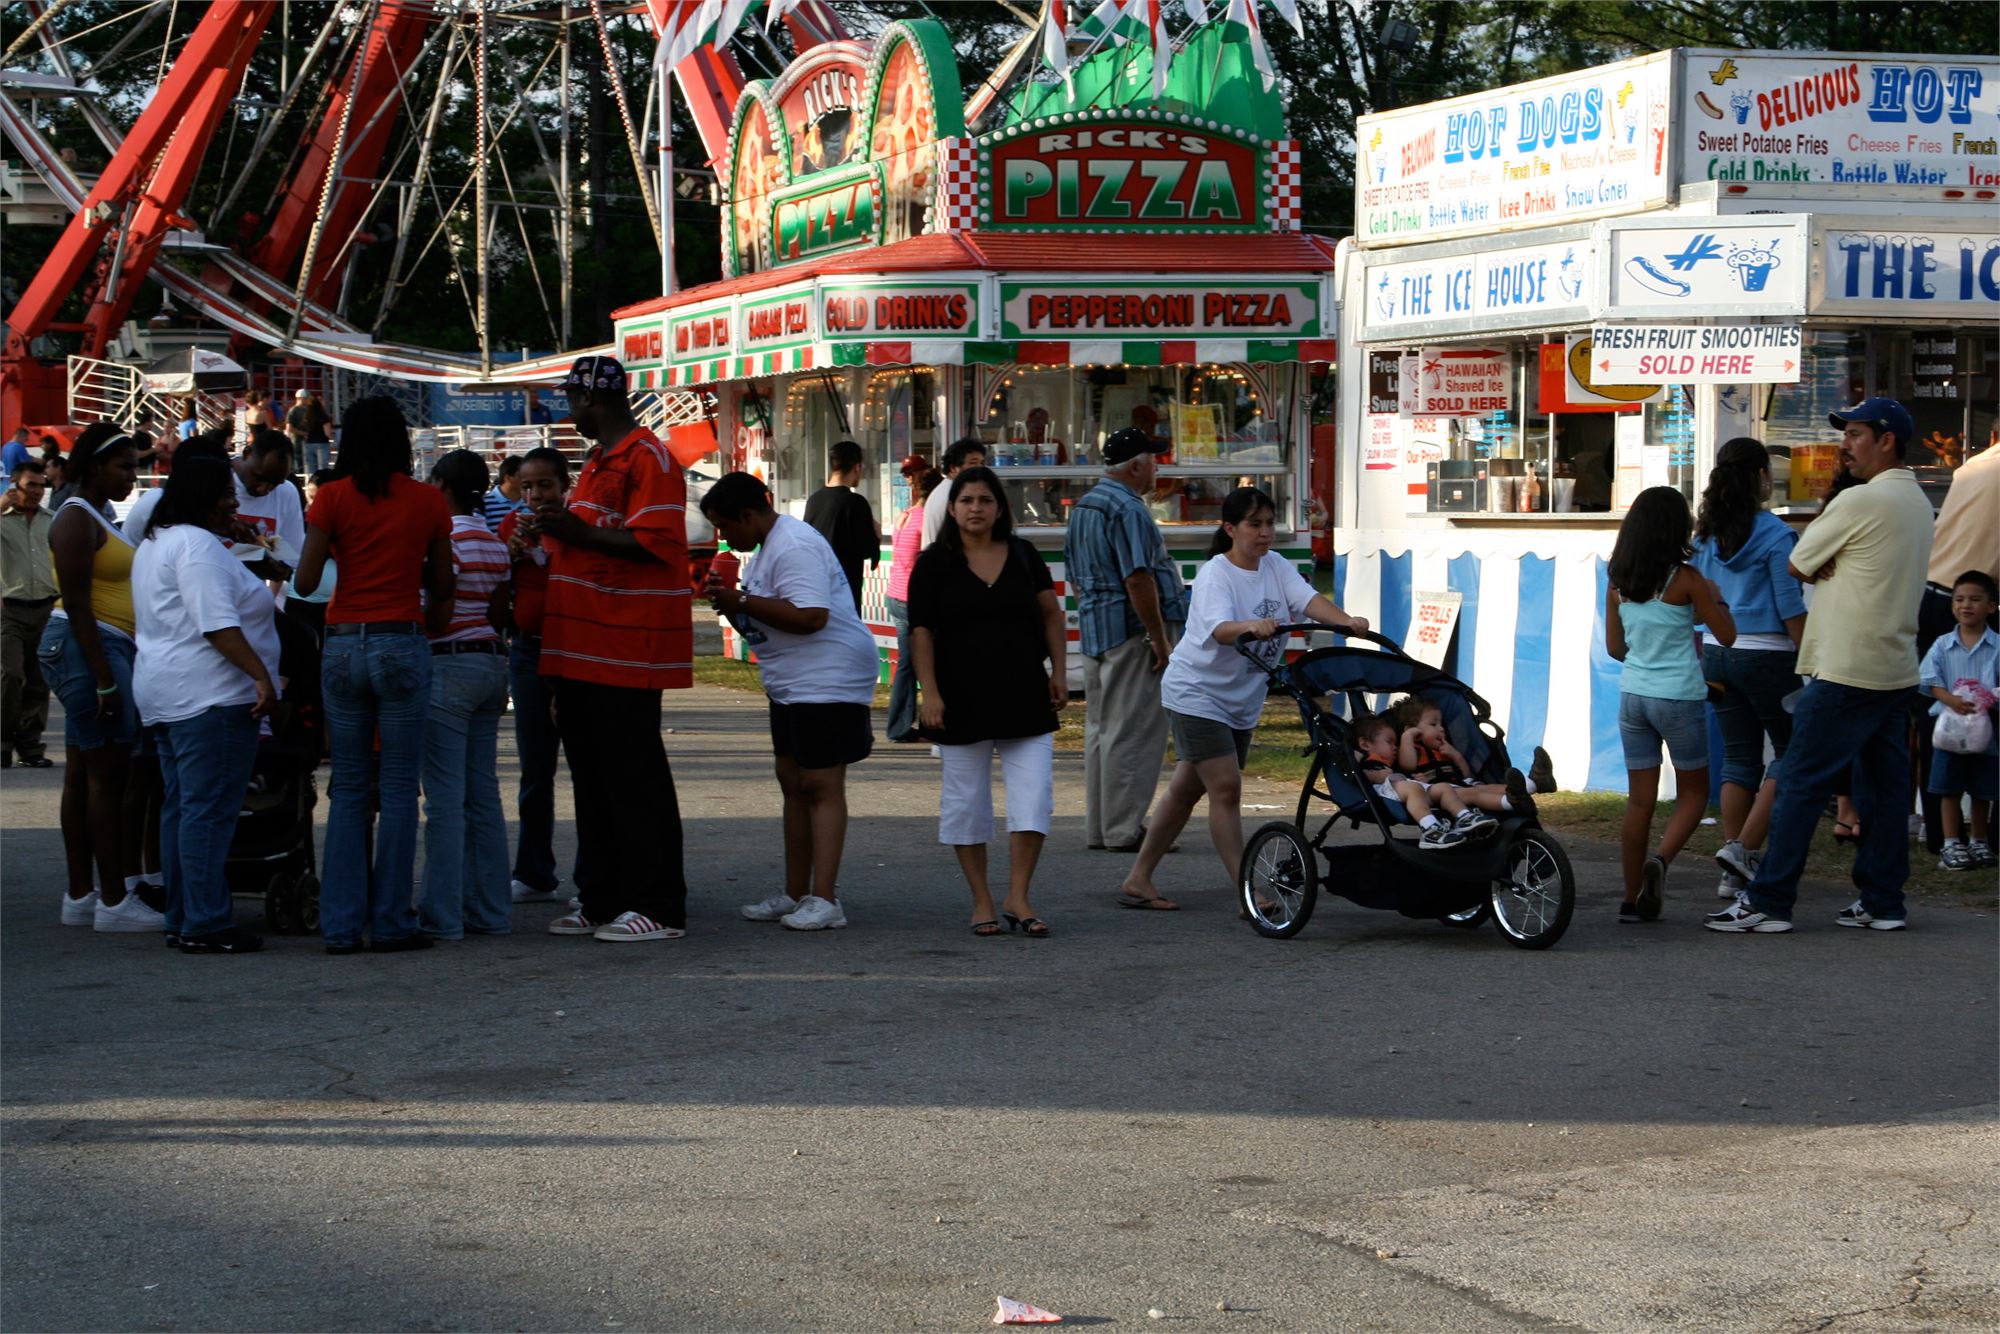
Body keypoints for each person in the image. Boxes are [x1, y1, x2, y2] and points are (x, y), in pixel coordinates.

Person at [1709, 399, 1934, 934]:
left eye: (1855, 434)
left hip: (1845, 665)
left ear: (1887, 440)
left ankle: (1769, 900)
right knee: (1884, 789)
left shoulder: (1859, 501)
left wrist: (1829, 562)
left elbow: (1797, 563)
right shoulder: (1918, 501)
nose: (1845, 445)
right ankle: (1883, 901)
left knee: (1799, 782)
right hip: (1894, 662)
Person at [1116, 487, 1364, 910]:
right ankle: (1247, 889)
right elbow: (1219, 629)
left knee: (1185, 790)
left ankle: (1138, 878)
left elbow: (1307, 599)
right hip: (1197, 692)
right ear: (1231, 529)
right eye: (1255, 524)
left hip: (1241, 699)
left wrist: (1346, 621)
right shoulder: (1217, 573)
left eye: (1269, 523)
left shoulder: (1275, 566)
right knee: (1226, 789)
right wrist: (1249, 625)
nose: (1265, 533)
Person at [536, 355, 693, 944]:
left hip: (625, 646)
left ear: (588, 401)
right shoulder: (599, 460)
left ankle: (659, 904)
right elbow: (588, 537)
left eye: (570, 401)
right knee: (593, 779)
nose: (569, 411)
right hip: (582, 645)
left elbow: (655, 541)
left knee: (634, 776)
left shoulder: (647, 457)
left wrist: (574, 531)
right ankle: (602, 897)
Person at [295, 396, 454, 954]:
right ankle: (391, 921)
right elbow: (442, 585)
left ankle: (340, 925)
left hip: (342, 644)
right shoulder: (429, 501)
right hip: (401, 638)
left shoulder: (331, 498)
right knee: (398, 787)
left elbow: (307, 577)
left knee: (349, 790)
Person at [702, 472, 879, 932]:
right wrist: (733, 606)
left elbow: (811, 617)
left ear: (747, 515)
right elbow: (765, 625)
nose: (724, 537)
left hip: (827, 678)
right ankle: (797, 891)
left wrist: (740, 599)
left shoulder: (793, 545)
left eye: (725, 526)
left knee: (820, 784)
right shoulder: (767, 549)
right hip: (793, 681)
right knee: (792, 782)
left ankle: (825, 899)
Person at [908, 466, 1067, 937]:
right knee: (965, 804)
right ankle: (981, 900)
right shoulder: (934, 562)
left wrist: (1059, 672)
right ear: (952, 509)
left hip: (1025, 695)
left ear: (1000, 508)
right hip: (958, 700)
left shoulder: (1023, 554)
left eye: (985, 500)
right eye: (967, 500)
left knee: (1034, 797)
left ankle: (1019, 895)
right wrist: (929, 693)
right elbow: (921, 632)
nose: (976, 508)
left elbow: (1052, 615)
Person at [131, 456, 279, 954]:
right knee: (209, 812)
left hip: (168, 691)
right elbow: (217, 625)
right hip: (209, 695)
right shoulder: (195, 546)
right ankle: (206, 921)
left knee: (183, 809)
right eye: (226, 494)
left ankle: (184, 914)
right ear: (203, 496)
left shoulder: (158, 542)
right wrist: (261, 675)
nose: (234, 503)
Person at [37, 426, 161, 931]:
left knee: (82, 776)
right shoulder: (74, 518)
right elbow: (79, 605)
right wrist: (106, 679)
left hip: (93, 647)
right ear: (93, 468)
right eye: (124, 466)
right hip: (88, 647)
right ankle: (114, 901)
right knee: (108, 780)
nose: (132, 475)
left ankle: (82, 895)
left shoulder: (94, 516)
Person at [1606, 486, 1736, 925]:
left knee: (1639, 801)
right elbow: (1728, 635)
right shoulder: (1686, 580)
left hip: (1633, 698)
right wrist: (1714, 597)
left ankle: (1629, 900)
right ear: (1677, 529)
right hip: (1678, 697)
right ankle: (1659, 862)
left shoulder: (1617, 581)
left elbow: (1614, 647)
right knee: (1694, 794)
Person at [1693, 439, 1808, 899]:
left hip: (1718, 653)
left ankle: (1732, 865)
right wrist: (1813, 659)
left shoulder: (1704, 536)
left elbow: (1698, 607)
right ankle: (1744, 850)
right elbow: (1789, 606)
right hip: (1770, 654)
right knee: (1791, 752)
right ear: (1760, 475)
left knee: (1738, 757)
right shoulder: (1776, 535)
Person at [1065, 426, 1188, 853]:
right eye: (1152, 459)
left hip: (1097, 630)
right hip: (1132, 633)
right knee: (1133, 732)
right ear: (1135, 466)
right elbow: (1138, 577)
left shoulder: (1085, 506)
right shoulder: (1129, 509)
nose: (1156, 467)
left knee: (1101, 730)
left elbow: (1075, 577)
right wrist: (1158, 639)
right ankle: (1123, 828)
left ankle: (1101, 826)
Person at [418, 449, 514, 941]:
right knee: (484, 794)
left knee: (444, 799)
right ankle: (492, 911)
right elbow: (499, 612)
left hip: (447, 664)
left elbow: (436, 612)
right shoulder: (497, 544)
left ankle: (443, 915)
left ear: (441, 486)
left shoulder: (444, 542)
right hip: (490, 662)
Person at [491, 447, 581, 905]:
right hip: (528, 653)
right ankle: (534, 872)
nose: (535, 495)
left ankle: (592, 875)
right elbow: (497, 592)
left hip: (579, 653)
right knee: (535, 768)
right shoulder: (512, 526)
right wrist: (509, 556)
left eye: (544, 485)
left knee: (588, 768)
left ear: (564, 486)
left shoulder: (579, 524)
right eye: (527, 487)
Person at [1920, 569, 1998, 870]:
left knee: (1983, 788)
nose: (1966, 605)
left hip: (1986, 729)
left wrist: (1988, 697)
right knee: (1948, 787)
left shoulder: (1997, 646)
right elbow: (1929, 680)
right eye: (1960, 599)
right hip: (1950, 730)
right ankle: (1951, 843)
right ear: (1952, 605)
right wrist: (1951, 699)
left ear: (1991, 606)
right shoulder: (1942, 644)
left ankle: (1979, 840)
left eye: (1975, 599)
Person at [1393, 695, 1546, 842]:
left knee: (1488, 787)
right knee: (1475, 793)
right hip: (1443, 795)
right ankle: (1510, 802)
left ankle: (1534, 783)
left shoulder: (1444, 751)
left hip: (1462, 784)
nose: (1441, 729)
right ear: (1413, 730)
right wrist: (1407, 736)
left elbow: (1467, 775)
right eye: (1433, 724)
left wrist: (1457, 756)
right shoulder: (1414, 750)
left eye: (1441, 724)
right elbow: (1407, 765)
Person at [2, 459, 57, 769]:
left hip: (45, 606)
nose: (37, 491)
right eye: (30, 485)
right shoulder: (1, 516)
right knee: (9, 674)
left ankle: (30, 745)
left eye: (41, 485)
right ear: (15, 486)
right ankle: (3, 739)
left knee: (38, 679)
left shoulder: (50, 520)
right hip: (9, 608)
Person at [884, 465, 940, 741]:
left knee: (907, 664)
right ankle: (930, 723)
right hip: (912, 599)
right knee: (932, 662)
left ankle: (900, 725)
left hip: (895, 594)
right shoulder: (926, 519)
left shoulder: (904, 515)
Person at [803, 439, 880, 614]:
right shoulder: (855, 502)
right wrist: (877, 534)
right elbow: (867, 549)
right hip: (845, 596)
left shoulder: (814, 500)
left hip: (816, 594)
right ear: (857, 468)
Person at [233, 430, 306, 560]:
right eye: (259, 477)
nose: (263, 490)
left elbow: (292, 558)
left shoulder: (286, 492)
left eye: (275, 484)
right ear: (247, 454)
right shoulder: (217, 480)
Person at [920, 438, 986, 548]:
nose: (980, 468)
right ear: (953, 468)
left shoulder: (944, 489)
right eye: (973, 463)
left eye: (982, 463)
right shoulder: (953, 494)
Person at [287, 388, 333, 474]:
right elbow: (289, 428)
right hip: (311, 442)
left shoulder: (307, 413)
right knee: (322, 469)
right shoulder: (322, 415)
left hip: (307, 443)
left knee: (309, 469)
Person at [482, 454, 529, 531]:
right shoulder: (484, 504)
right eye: (523, 475)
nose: (527, 479)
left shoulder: (531, 502)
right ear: (508, 478)